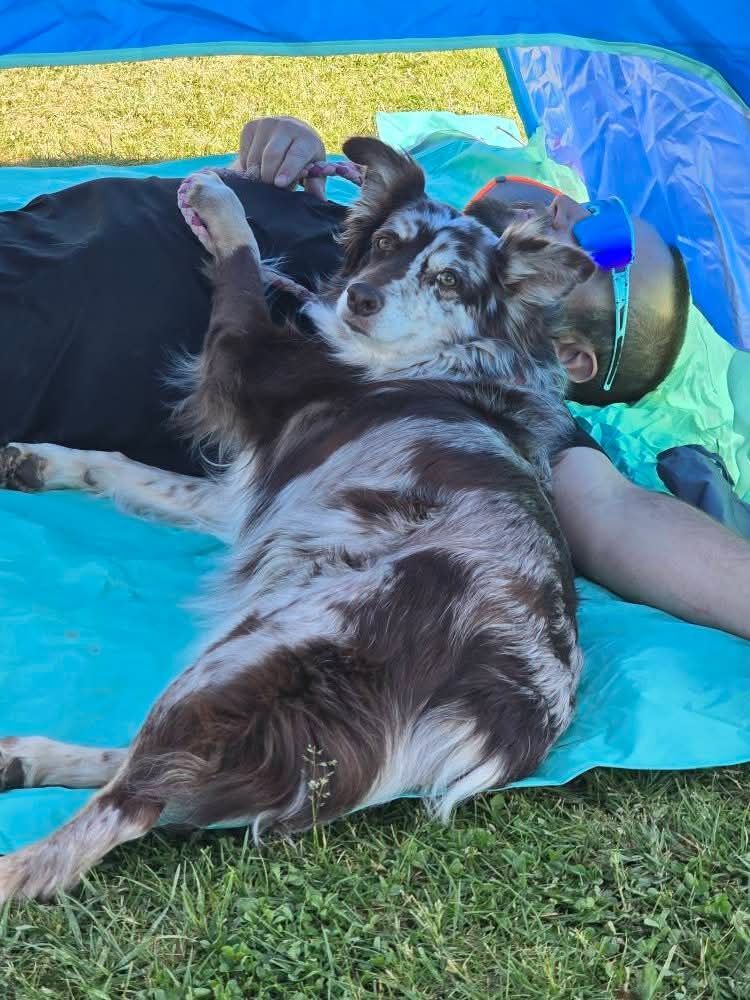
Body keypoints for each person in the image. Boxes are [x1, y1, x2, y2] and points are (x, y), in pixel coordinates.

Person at [0, 116, 748, 641]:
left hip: (34, 346)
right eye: (594, 202)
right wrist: (281, 158)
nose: (564, 204)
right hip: (37, 229)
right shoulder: (405, 218)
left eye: (603, 236)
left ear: (576, 354)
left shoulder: (499, 410)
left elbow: (617, 518)